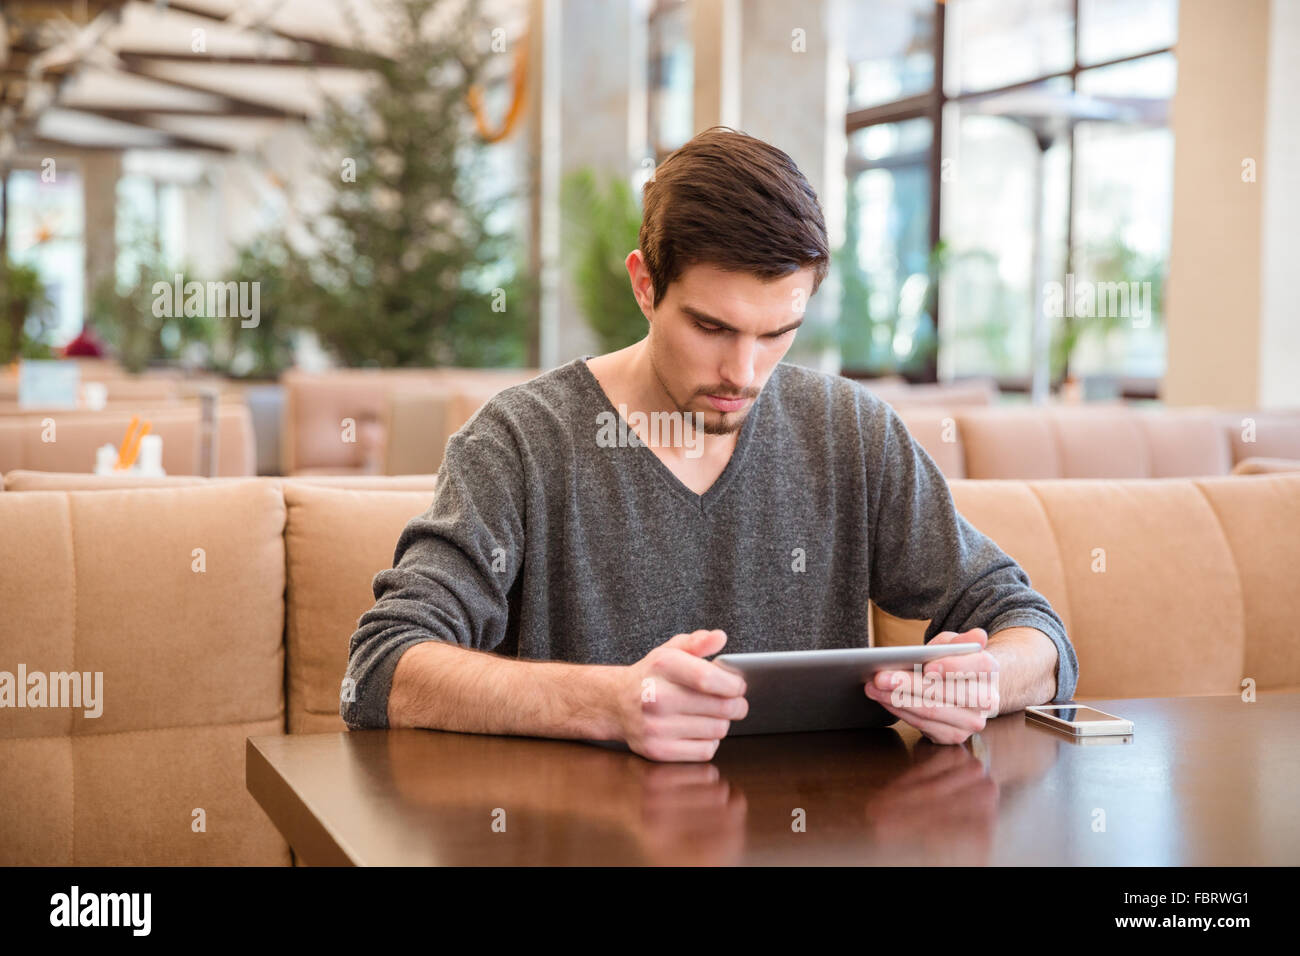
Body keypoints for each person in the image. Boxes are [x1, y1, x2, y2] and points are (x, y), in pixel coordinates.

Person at [342, 126, 1077, 761]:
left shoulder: (851, 432)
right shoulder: (519, 442)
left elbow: (1031, 628)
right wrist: (610, 703)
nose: (743, 373)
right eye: (711, 327)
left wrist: (985, 681)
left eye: (777, 333)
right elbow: (381, 668)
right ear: (644, 286)